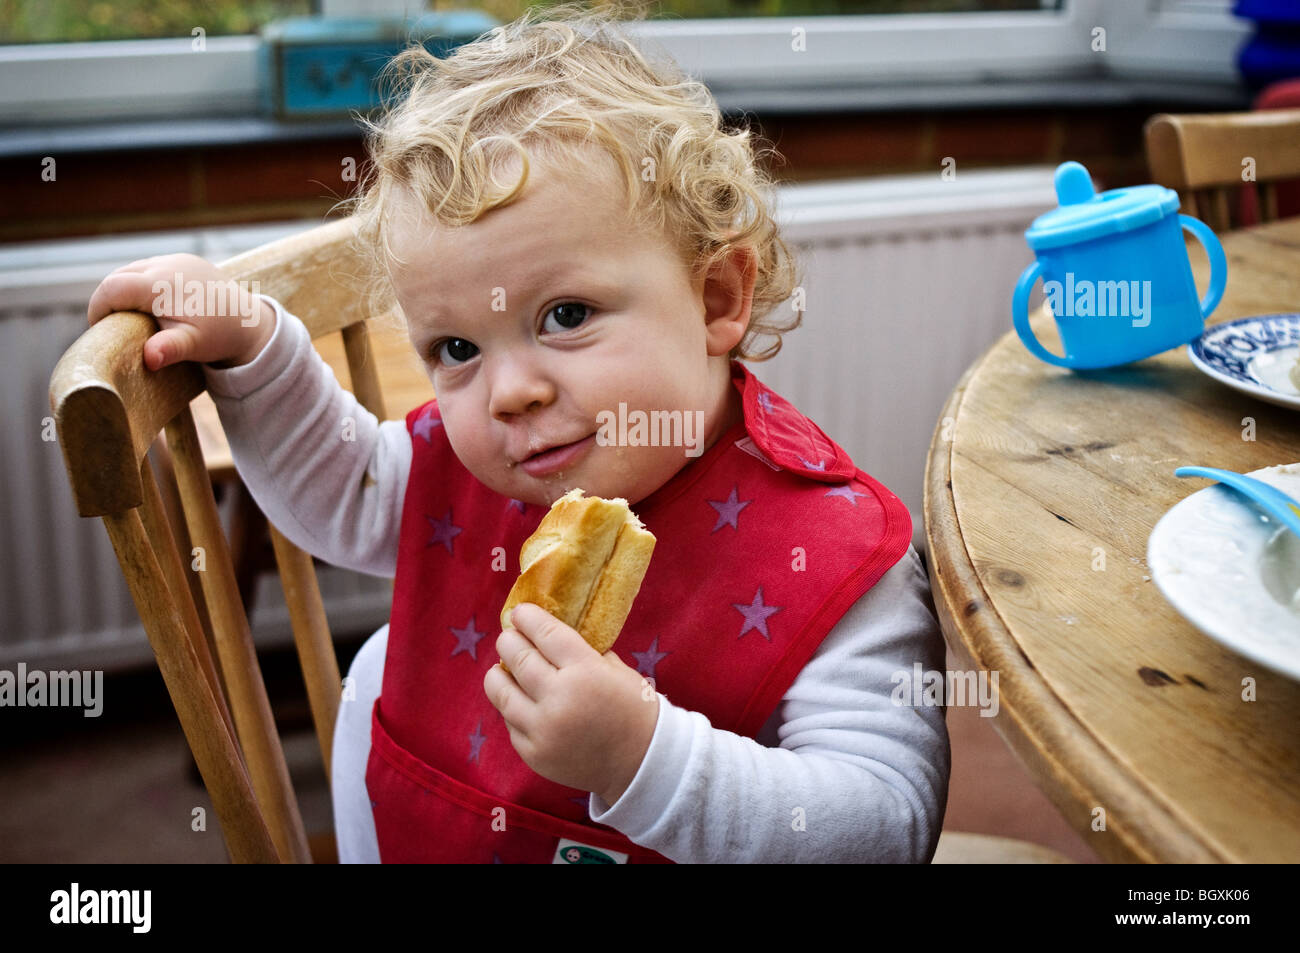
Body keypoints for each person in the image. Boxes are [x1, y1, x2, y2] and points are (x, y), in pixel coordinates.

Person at [87, 3, 949, 863]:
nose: (508, 392)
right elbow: (345, 491)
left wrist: (642, 757)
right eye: (456, 348)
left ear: (716, 296)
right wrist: (254, 345)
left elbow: (884, 826)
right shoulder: (488, 468)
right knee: (382, 666)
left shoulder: (838, 559)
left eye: (566, 315)